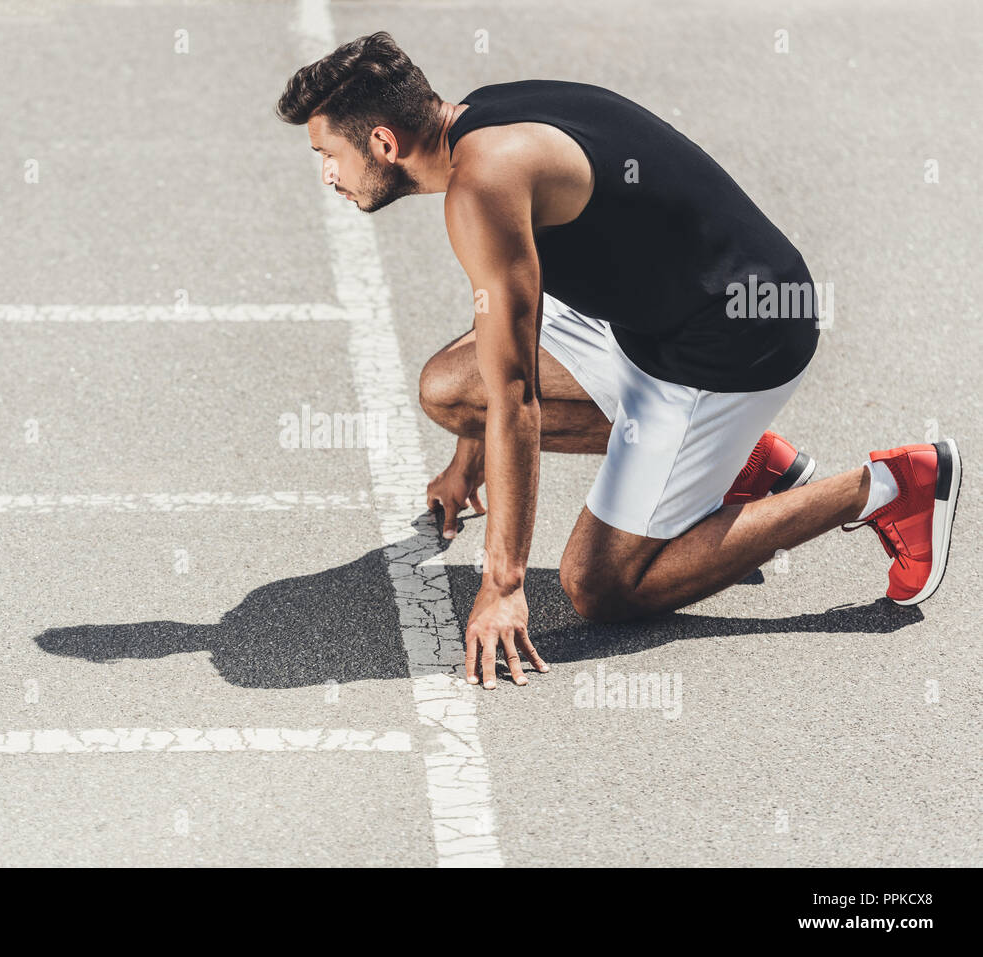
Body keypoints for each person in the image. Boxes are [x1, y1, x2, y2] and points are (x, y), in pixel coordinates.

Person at [275, 32, 961, 690]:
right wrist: (468, 456)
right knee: (450, 388)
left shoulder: (481, 185)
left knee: (598, 586)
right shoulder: (482, 122)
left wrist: (504, 584)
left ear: (384, 142)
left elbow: (515, 396)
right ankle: (741, 463)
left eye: (328, 154)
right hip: (660, 312)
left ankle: (889, 487)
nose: (328, 174)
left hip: (733, 342)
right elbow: (502, 339)